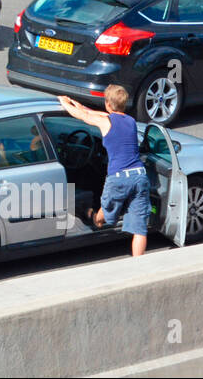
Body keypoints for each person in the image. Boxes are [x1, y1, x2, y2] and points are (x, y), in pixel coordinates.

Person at [57, 86, 150, 256]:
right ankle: (139, 265)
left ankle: (92, 215)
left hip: (119, 178)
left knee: (102, 218)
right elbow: (95, 113)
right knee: (140, 229)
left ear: (107, 103)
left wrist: (65, 103)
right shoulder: (130, 121)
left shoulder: (106, 121)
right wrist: (78, 104)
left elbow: (85, 117)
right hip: (139, 176)